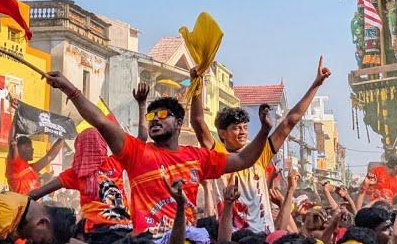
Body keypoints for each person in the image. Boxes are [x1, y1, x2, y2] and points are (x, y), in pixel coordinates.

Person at [42, 70, 272, 234]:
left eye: (163, 115)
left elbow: (244, 159)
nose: (154, 120)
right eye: (151, 116)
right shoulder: (136, 152)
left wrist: (264, 130)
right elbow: (101, 122)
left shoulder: (198, 157)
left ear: (179, 123)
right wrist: (70, 90)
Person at [192, 57, 332, 233]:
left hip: (263, 236)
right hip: (231, 237)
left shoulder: (259, 153)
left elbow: (289, 122)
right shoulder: (217, 155)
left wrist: (316, 84)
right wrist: (196, 81)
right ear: (222, 133)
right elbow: (198, 122)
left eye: (245, 127)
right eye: (236, 128)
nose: (243, 132)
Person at [27, 126, 132, 244]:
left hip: (97, 233)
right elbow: (140, 141)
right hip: (125, 229)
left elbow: (36, 193)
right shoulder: (115, 162)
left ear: (80, 148)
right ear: (102, 145)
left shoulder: (77, 173)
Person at [7, 105, 66, 195]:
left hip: (36, 207)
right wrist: (16, 115)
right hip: (24, 208)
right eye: (28, 147)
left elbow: (49, 157)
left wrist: (63, 137)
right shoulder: (16, 165)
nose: (32, 149)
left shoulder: (31, 168)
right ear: (19, 149)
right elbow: (12, 141)